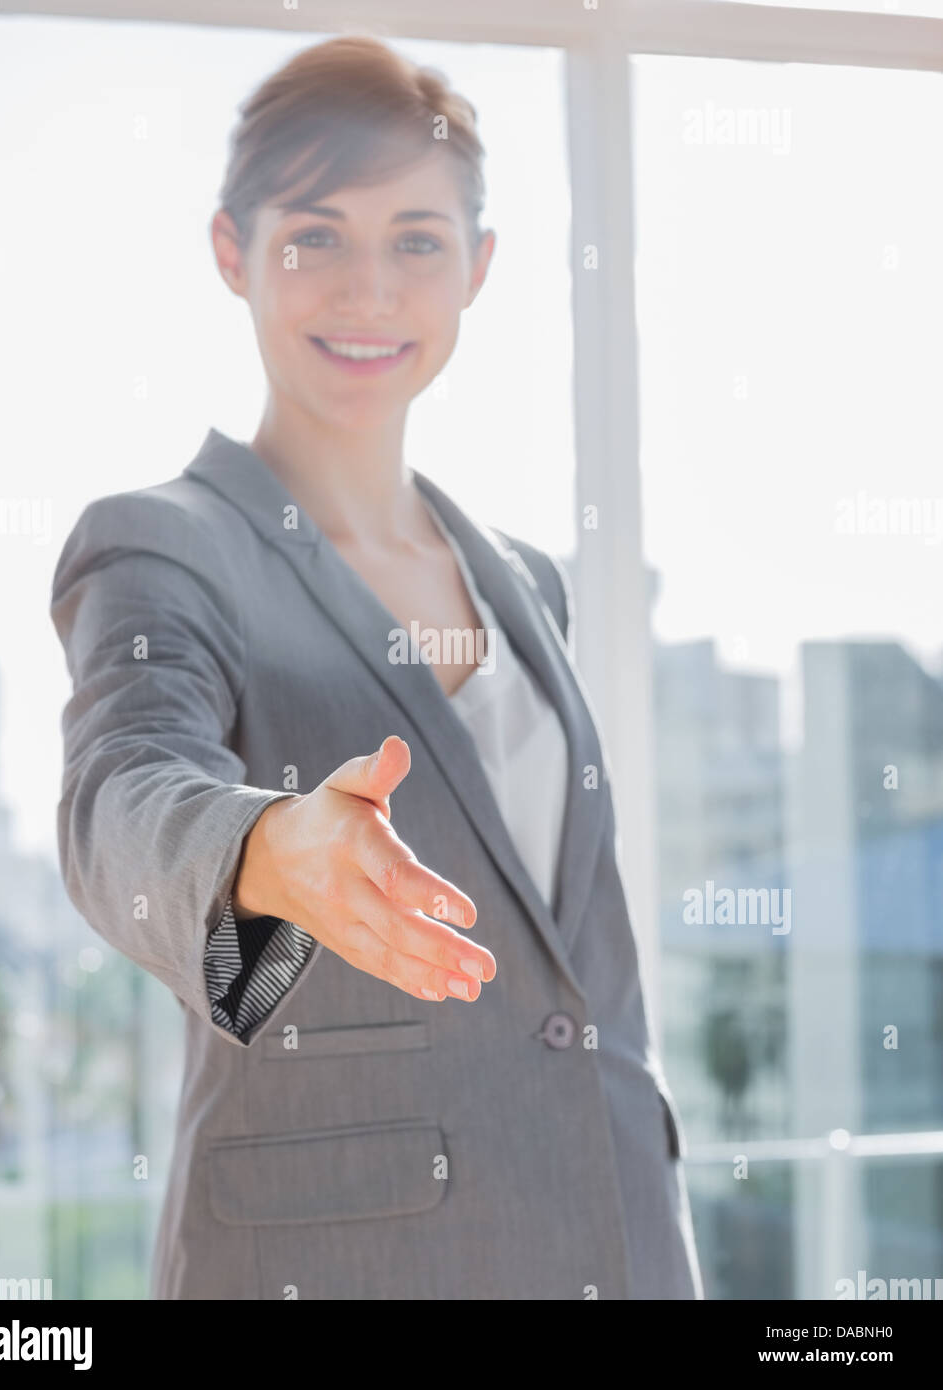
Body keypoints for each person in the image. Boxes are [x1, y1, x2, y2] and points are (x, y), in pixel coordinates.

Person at [50, 33, 703, 1300]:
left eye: (416, 239)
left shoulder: (523, 582)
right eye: (315, 237)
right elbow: (118, 794)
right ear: (233, 252)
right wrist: (262, 847)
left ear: (478, 269)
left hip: (611, 1244)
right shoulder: (164, 545)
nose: (369, 290)